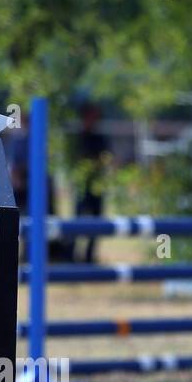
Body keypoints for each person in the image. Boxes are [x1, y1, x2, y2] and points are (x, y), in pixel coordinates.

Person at [72, 103, 110, 263]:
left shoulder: (99, 137)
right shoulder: (78, 137)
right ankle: (71, 255)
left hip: (97, 186)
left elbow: (105, 159)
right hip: (82, 185)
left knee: (96, 222)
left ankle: (89, 256)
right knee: (77, 222)